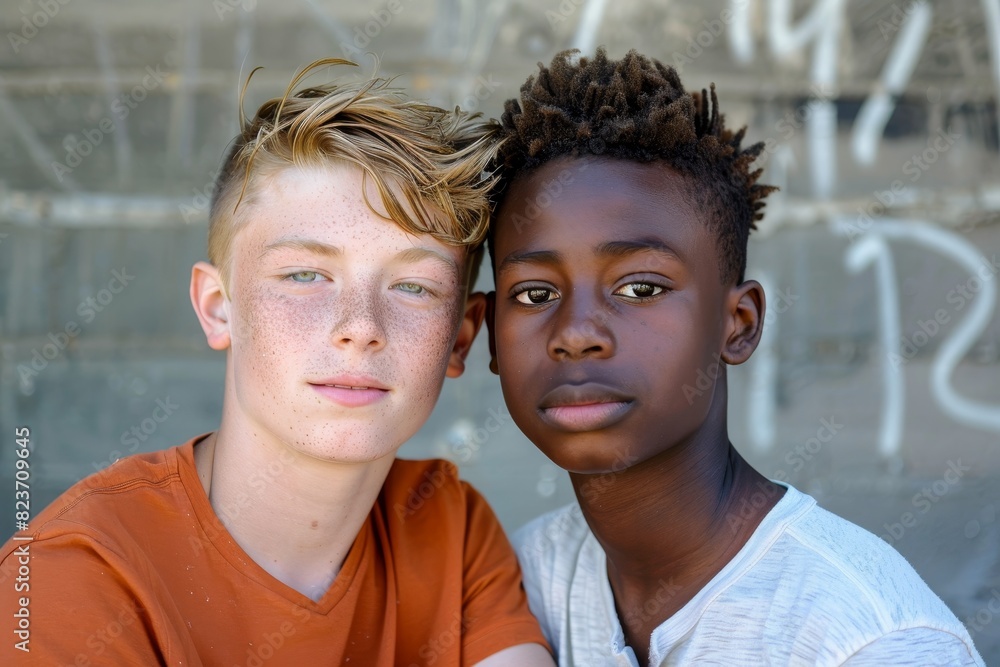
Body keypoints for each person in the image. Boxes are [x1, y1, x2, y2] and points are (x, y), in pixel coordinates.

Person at [0, 58, 552, 666]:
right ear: (218, 308)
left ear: (461, 338)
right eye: (305, 275)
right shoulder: (72, 576)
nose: (361, 328)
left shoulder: (448, 526)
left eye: (413, 287)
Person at [483, 48, 984, 666]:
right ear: (491, 336)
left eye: (640, 288)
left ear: (738, 324)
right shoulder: (516, 585)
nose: (577, 333)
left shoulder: (868, 642)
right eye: (535, 294)